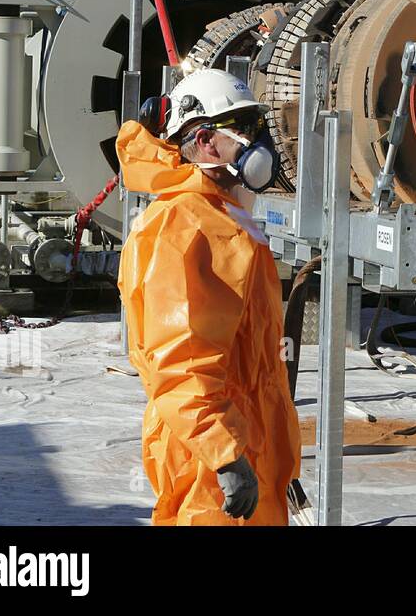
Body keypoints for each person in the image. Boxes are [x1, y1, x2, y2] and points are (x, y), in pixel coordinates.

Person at [116, 69, 300, 525]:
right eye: (243, 129)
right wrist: (225, 457)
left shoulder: (220, 213)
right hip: (207, 453)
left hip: (245, 436)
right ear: (204, 142)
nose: (258, 143)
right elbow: (180, 362)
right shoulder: (181, 224)